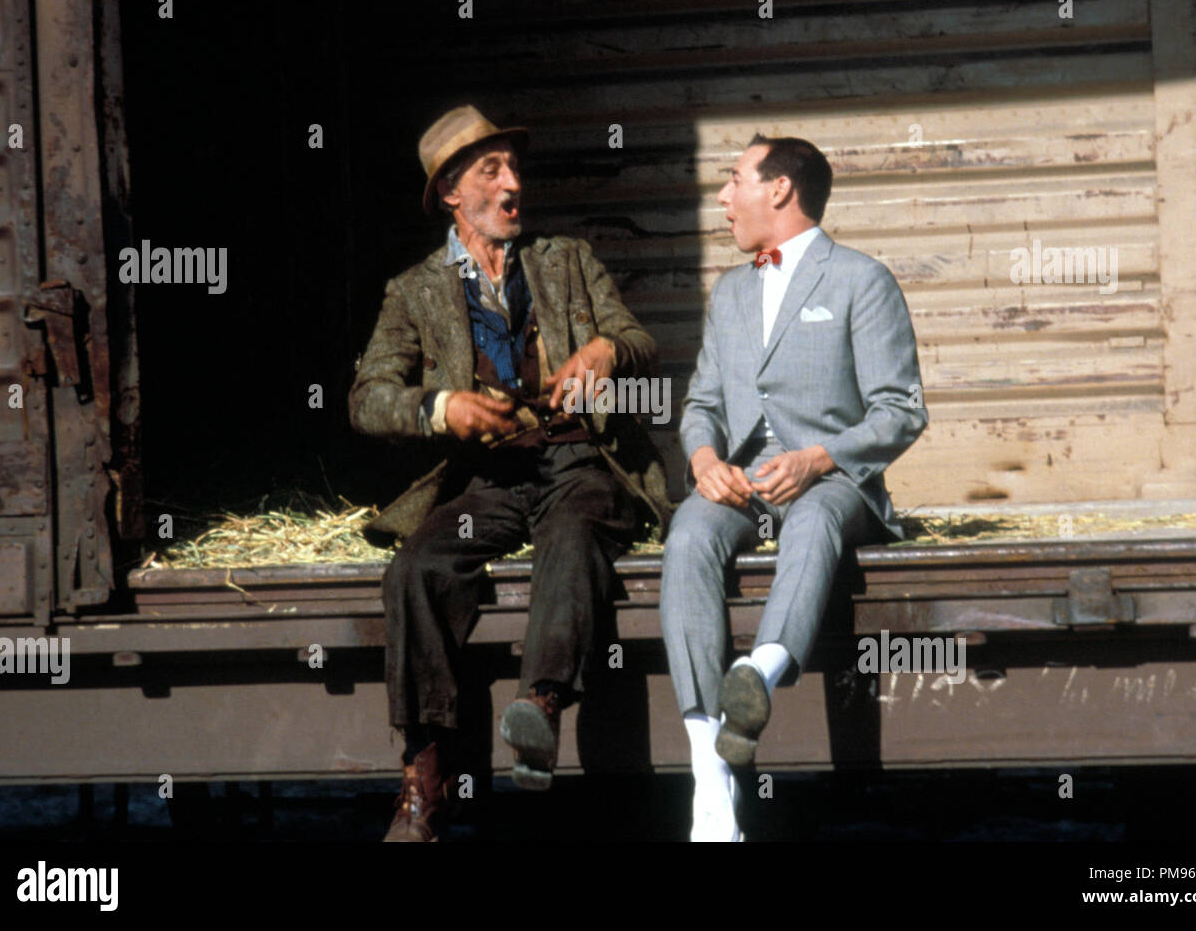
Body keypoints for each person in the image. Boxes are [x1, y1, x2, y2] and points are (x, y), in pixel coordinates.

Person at [349, 105, 670, 842]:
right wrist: (442, 408)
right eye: (491, 170)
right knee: (416, 571)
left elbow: (639, 340)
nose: (512, 182)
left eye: (514, 168)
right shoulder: (415, 290)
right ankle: (425, 780)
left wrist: (605, 355)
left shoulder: (567, 259)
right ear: (452, 194)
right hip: (488, 479)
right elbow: (367, 399)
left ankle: (541, 707)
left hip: (577, 457)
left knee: (574, 528)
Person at [660, 133, 928, 841]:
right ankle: (709, 783)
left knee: (814, 523)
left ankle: (760, 672)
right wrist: (704, 459)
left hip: (833, 478)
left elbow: (901, 410)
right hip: (743, 476)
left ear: (780, 189)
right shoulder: (732, 290)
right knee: (687, 536)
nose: (721, 199)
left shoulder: (860, 280)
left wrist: (819, 459)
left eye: (734, 180)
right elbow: (702, 402)